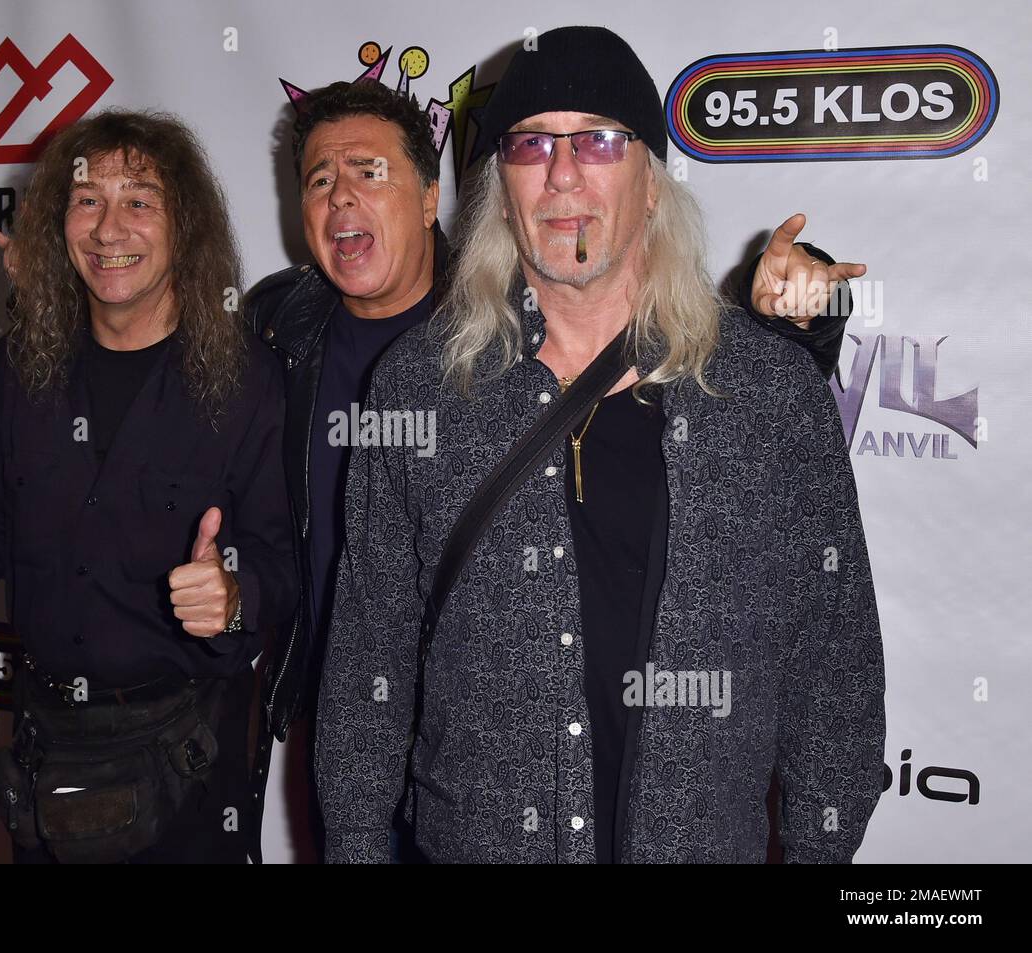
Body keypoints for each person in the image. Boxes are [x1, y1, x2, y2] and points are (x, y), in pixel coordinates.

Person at [246, 78, 866, 859]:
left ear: (652, 188)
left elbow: (834, 670)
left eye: (600, 139)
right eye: (532, 143)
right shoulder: (418, 387)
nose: (562, 172)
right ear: (501, 193)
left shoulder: (768, 391)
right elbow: (368, 662)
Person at [0, 109, 297, 863]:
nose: (108, 227)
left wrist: (234, 595)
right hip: (48, 764)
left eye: (139, 201)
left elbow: (286, 563)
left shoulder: (249, 381)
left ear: (184, 226)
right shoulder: (18, 371)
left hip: (190, 776)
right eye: (86, 199)